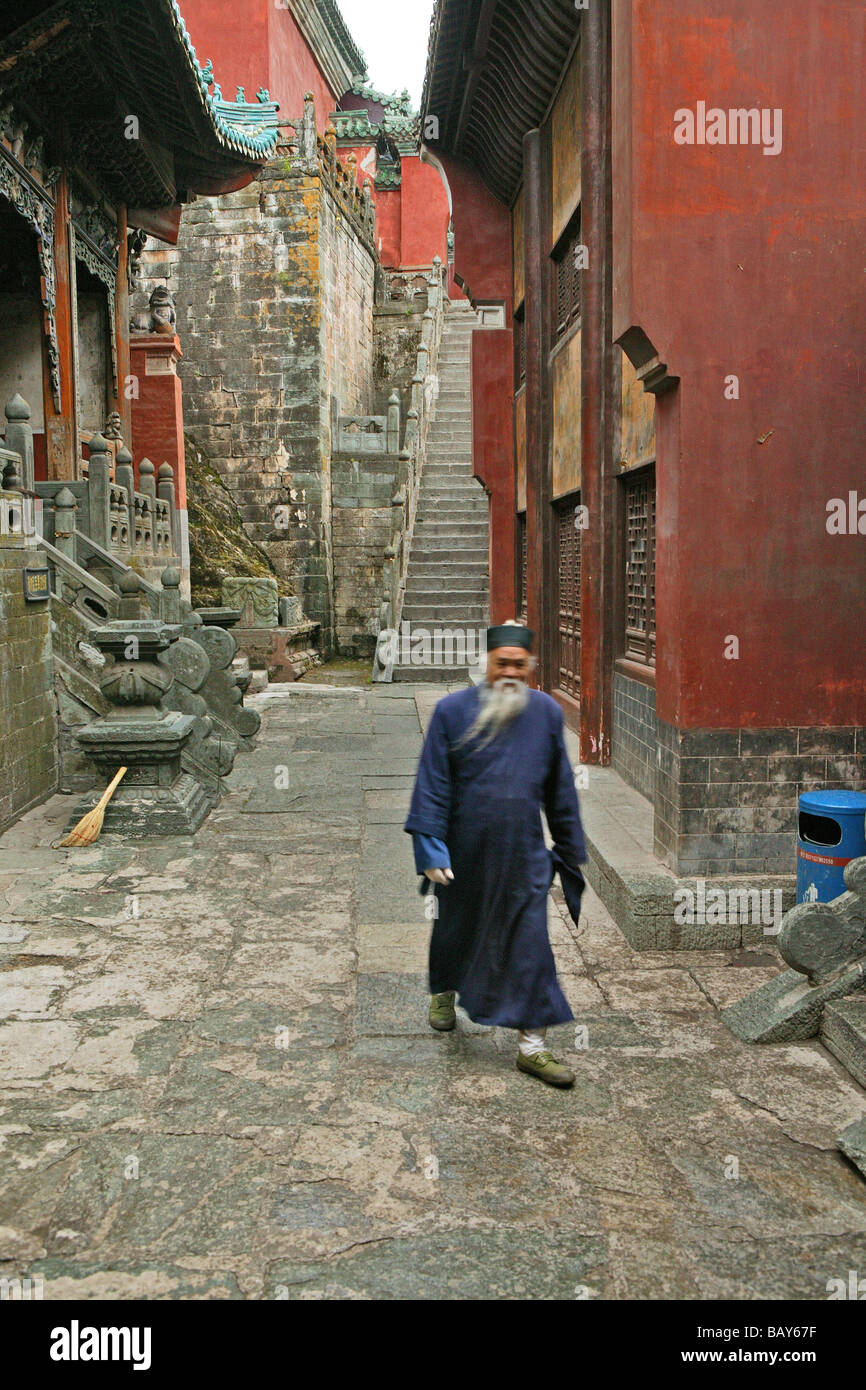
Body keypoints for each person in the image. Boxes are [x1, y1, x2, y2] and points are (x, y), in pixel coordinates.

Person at [404, 622, 587, 1087]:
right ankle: (444, 990)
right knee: (455, 930)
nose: (508, 671)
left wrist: (568, 851)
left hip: (523, 856)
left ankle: (533, 1048)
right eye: (500, 662)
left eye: (517, 665)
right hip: (461, 852)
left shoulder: (545, 714)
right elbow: (433, 784)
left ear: (529, 667)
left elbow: (560, 790)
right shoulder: (451, 712)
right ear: (486, 663)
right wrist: (429, 845)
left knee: (531, 947)